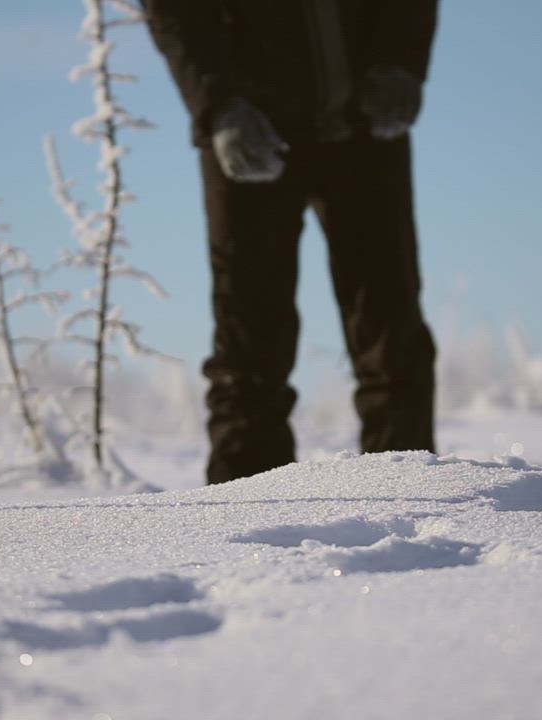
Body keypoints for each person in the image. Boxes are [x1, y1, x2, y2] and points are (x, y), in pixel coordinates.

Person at [143, 0, 440, 484]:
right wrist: (218, 104)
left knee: (392, 334)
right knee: (249, 343)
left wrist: (401, 65)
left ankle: (413, 508)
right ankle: (252, 517)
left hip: (366, 121)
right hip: (251, 125)